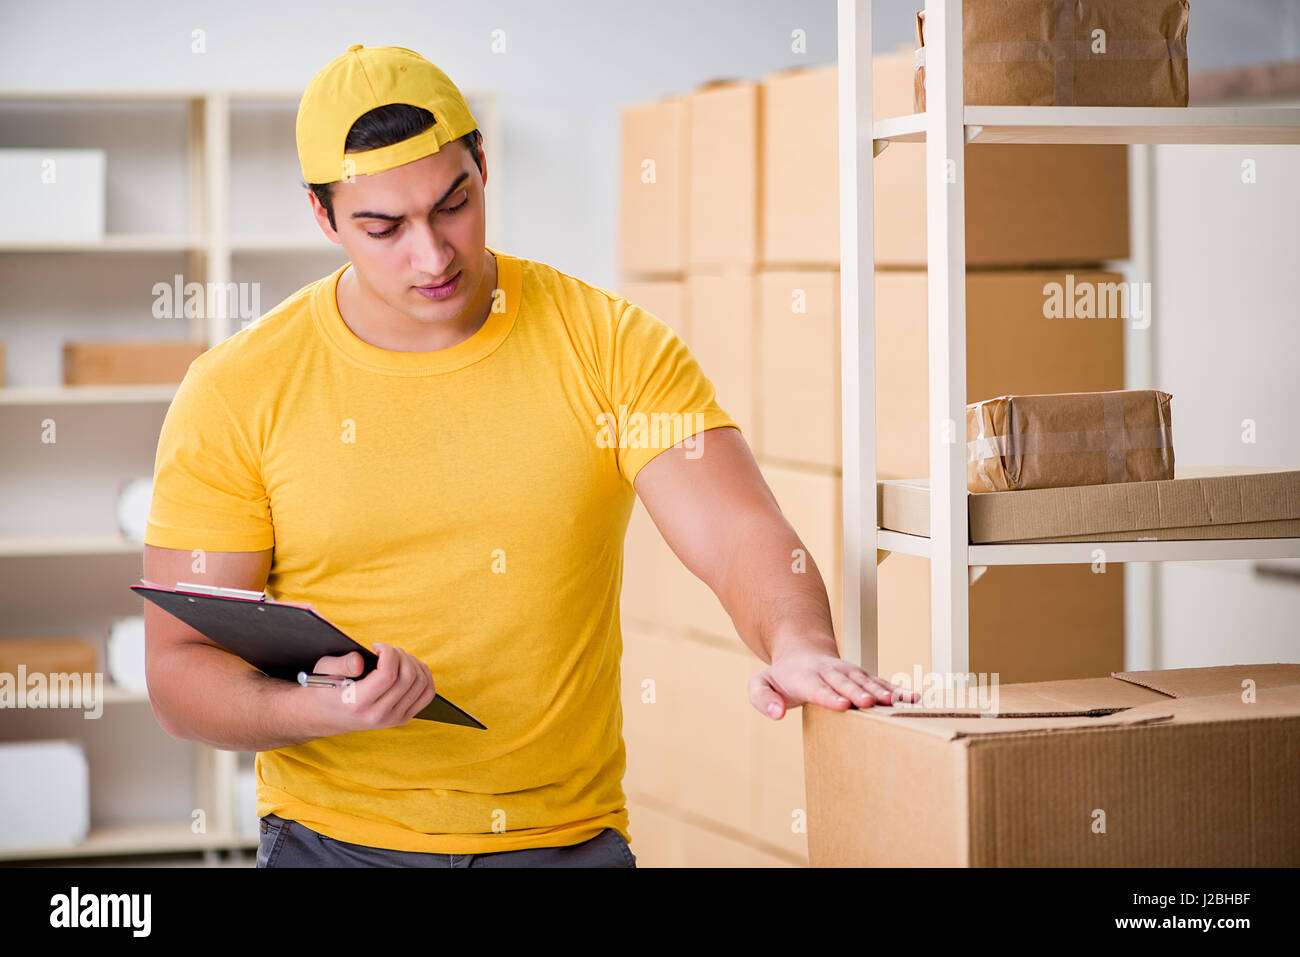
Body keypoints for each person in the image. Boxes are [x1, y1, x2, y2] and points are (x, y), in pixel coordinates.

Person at [142, 44, 916, 868]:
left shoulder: (607, 343)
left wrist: (797, 639)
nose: (433, 255)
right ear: (324, 217)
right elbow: (178, 669)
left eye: (453, 206)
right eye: (384, 228)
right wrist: (320, 708)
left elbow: (737, 532)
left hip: (564, 845)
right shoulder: (237, 389)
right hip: (331, 846)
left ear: (482, 163)